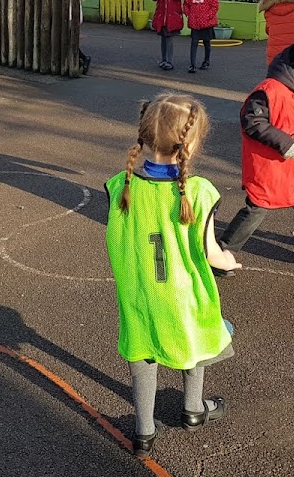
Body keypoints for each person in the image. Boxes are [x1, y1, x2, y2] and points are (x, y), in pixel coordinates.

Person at [104, 93, 241, 458]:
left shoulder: (120, 184)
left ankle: (144, 433)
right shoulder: (197, 191)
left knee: (143, 350)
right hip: (182, 293)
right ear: (192, 143)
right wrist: (227, 261)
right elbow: (212, 253)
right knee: (193, 340)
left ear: (144, 133)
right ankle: (193, 409)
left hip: (138, 291)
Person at [219, 26, 294, 260]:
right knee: (257, 208)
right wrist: (284, 142)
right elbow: (252, 121)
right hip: (270, 167)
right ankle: (224, 250)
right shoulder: (269, 91)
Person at [148, 0, 186, 71]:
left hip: (172, 17)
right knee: (163, 39)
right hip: (162, 16)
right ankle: (163, 59)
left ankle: (169, 61)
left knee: (169, 39)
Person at [183, 0, 220, 74]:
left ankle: (206, 61)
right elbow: (186, 4)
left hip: (206, 23)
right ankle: (192, 64)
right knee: (194, 42)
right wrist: (188, 13)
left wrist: (207, 16)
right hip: (194, 22)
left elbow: (214, 6)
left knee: (206, 42)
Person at [75, 0, 91, 75]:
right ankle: (80, 59)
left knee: (68, 38)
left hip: (73, 13)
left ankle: (83, 58)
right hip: (64, 12)